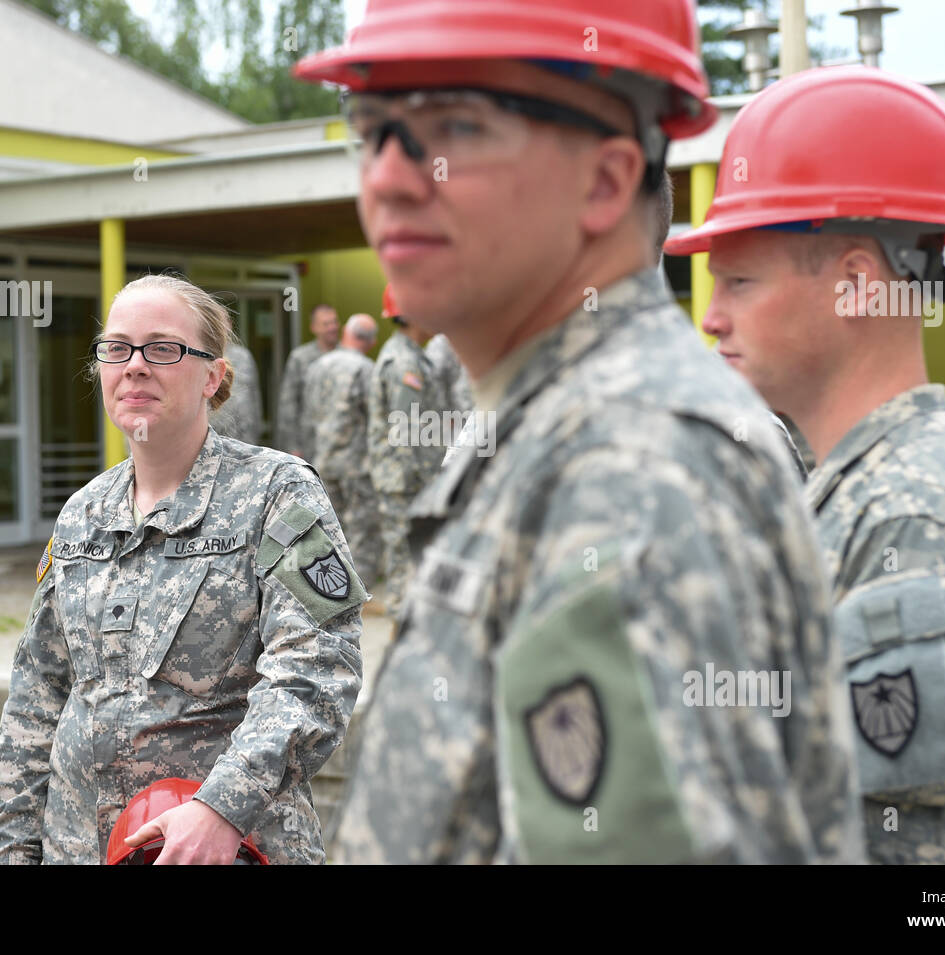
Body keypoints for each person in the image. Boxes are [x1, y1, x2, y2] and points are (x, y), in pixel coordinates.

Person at [295, 0, 862, 863]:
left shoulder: (632, 463)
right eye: (373, 128)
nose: (390, 176)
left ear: (604, 181)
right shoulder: (553, 423)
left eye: (453, 125)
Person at [665, 66, 945, 864]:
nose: (712, 317)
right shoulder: (858, 490)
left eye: (740, 281)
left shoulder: (916, 523)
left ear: (859, 285)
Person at [0, 274, 365, 865]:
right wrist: (12, 846)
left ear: (213, 375)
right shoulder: (83, 513)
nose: (134, 366)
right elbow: (37, 697)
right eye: (117, 348)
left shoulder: (276, 493)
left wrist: (223, 807)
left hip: (227, 847)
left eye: (163, 348)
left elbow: (316, 670)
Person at [367, 285, 447, 620]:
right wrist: (426, 482)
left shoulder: (413, 355)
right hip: (405, 480)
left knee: (410, 556)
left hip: (409, 477)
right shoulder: (404, 363)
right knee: (403, 558)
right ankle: (402, 625)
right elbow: (406, 433)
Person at [304, 314, 383, 587]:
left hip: (323, 461)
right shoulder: (365, 369)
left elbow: (309, 413)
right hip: (357, 465)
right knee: (362, 531)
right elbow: (377, 418)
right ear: (370, 341)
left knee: (328, 532)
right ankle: (361, 594)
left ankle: (331, 592)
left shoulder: (317, 366)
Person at [276, 304, 340, 459]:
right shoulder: (300, 358)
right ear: (314, 328)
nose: (332, 327)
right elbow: (288, 403)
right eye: (326, 324)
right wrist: (292, 445)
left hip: (341, 445)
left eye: (335, 322)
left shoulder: (348, 356)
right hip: (310, 443)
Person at [208, 341, 263, 445]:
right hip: (213, 433)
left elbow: (253, 397)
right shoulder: (203, 353)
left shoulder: (243, 356)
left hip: (242, 434)